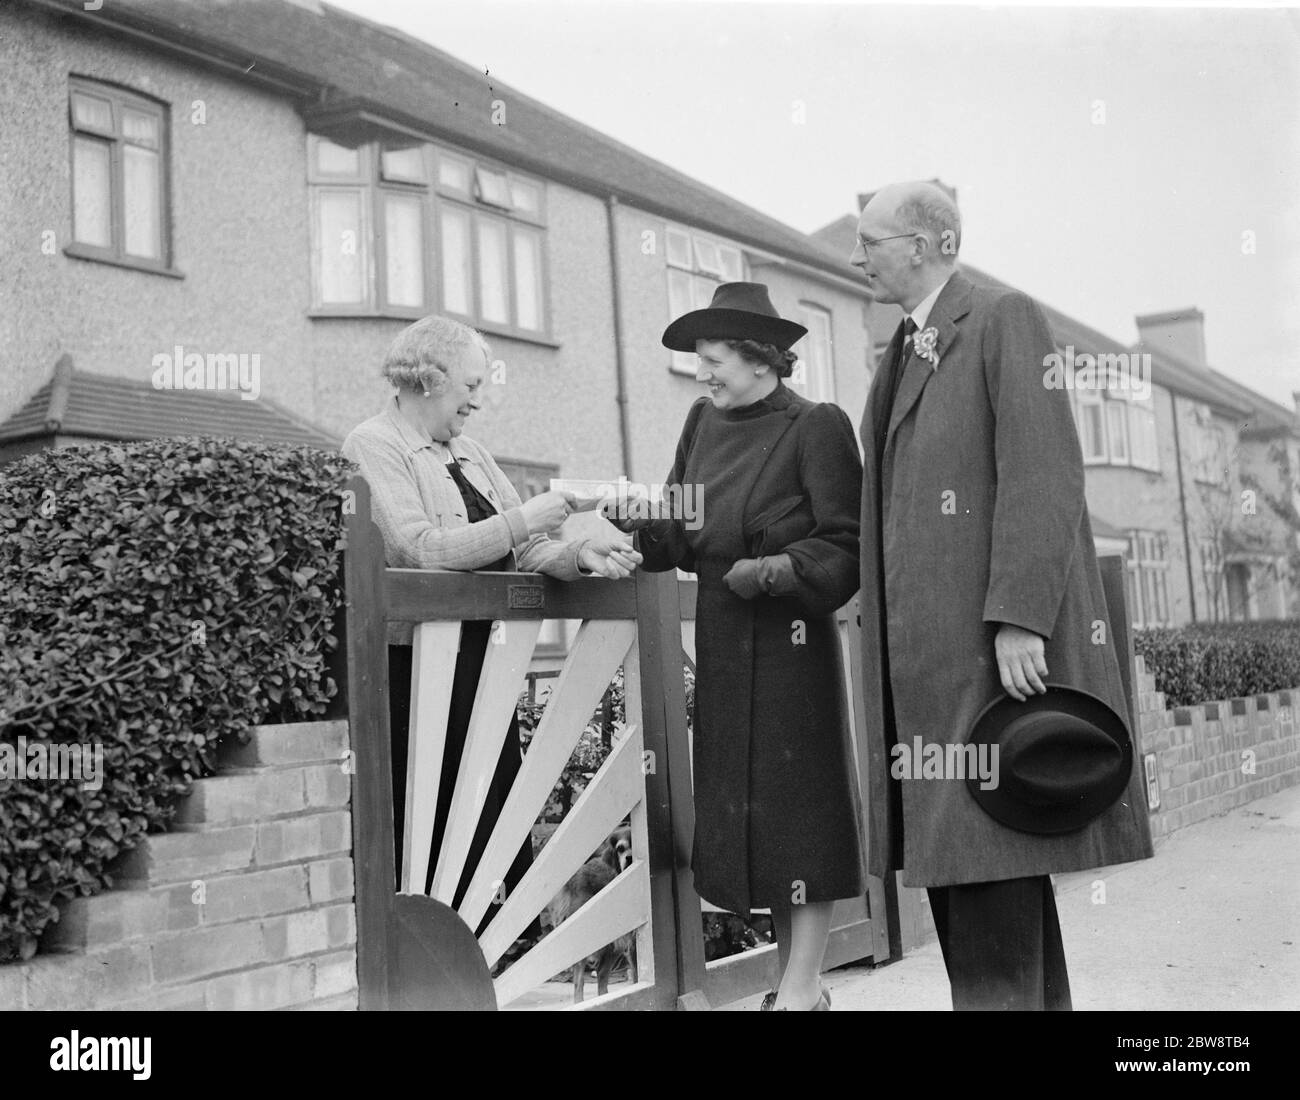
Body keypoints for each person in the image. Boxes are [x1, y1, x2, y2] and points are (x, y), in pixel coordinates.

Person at [851, 181, 1154, 1010]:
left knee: (988, 877)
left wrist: (1019, 618)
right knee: (981, 886)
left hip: (985, 663)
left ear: (925, 243)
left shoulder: (1003, 318)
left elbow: (1043, 473)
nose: (856, 256)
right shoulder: (904, 349)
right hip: (928, 675)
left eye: (870, 240)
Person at [606, 282, 865, 1011]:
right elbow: (680, 537)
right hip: (722, 648)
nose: (703, 373)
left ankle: (801, 985)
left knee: (799, 818)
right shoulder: (702, 422)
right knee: (755, 826)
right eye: (699, 360)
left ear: (759, 359)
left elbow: (847, 546)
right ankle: (799, 990)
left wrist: (779, 570)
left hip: (791, 652)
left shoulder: (818, 426)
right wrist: (637, 519)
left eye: (714, 358)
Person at [341, 315, 641, 929]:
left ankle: (495, 952)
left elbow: (529, 551)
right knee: (427, 816)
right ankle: (428, 958)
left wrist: (579, 555)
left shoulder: (472, 454)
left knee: (493, 807)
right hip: (415, 670)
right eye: (471, 385)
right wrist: (526, 519)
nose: (480, 399)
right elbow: (419, 549)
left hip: (486, 665)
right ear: (427, 378)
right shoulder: (372, 445)